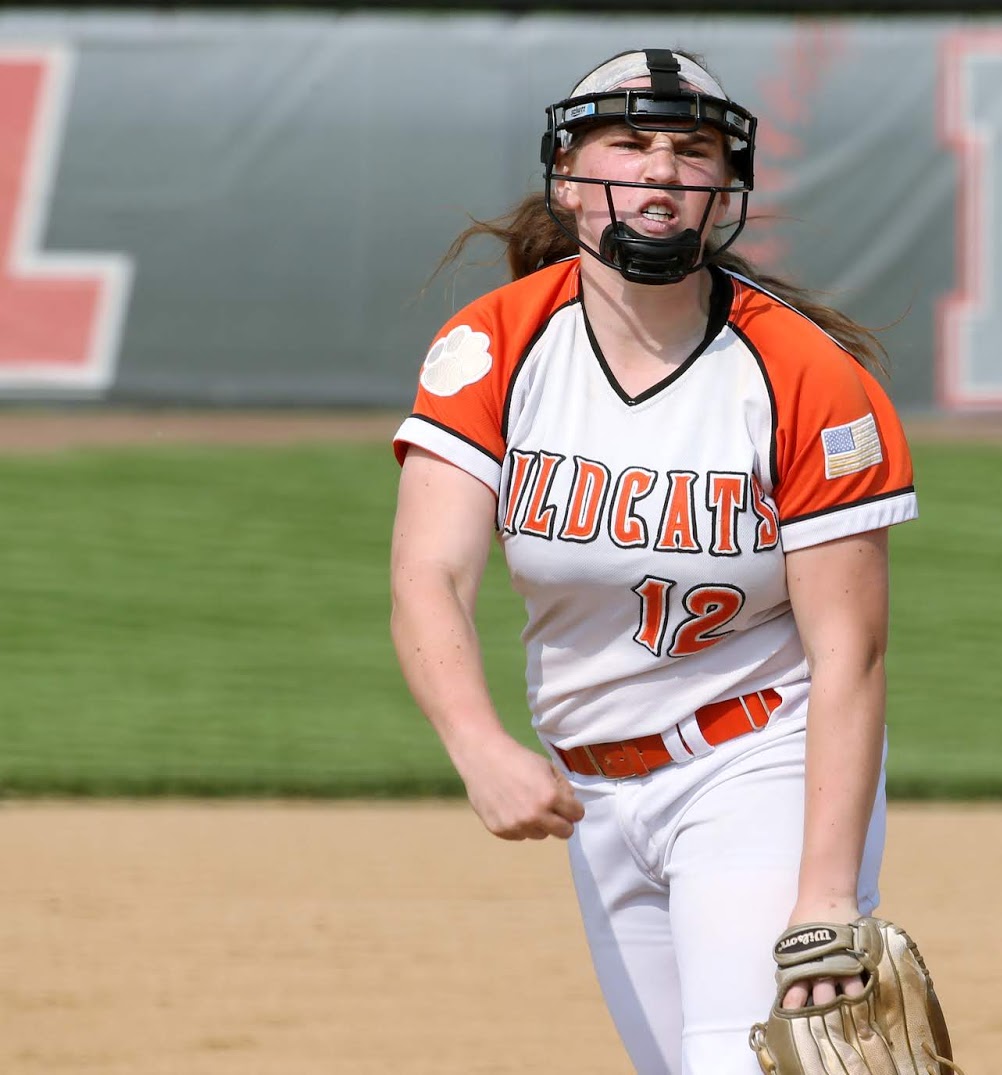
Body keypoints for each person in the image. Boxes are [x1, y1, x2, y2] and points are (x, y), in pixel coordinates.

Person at [388, 47, 917, 1075]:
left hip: (759, 762)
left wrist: (825, 891)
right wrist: (478, 745)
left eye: (692, 149)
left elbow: (846, 651)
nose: (663, 169)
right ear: (570, 175)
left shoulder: (805, 376)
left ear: (727, 185)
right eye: (629, 143)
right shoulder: (495, 347)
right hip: (594, 793)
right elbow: (430, 576)